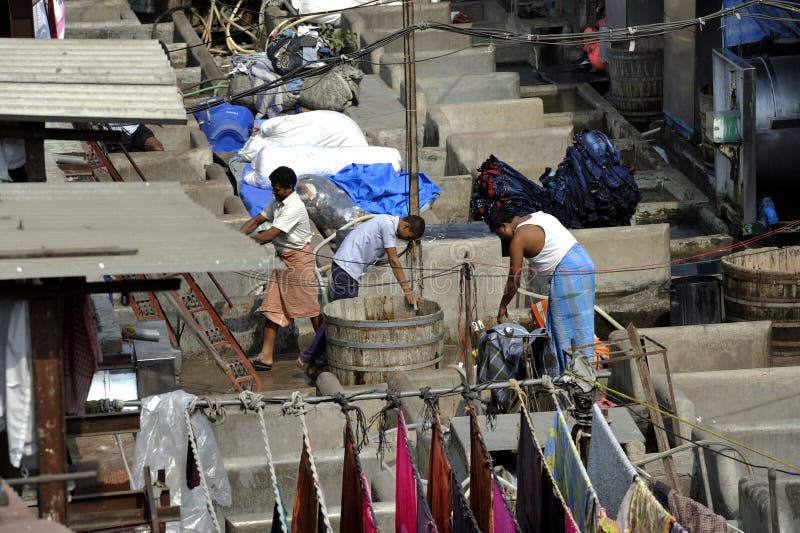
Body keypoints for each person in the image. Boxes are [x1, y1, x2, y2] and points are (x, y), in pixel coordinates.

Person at [298, 214, 426, 372]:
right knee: (339, 318)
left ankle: (320, 356)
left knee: (341, 316)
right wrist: (407, 290)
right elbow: (394, 260)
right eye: (408, 237)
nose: (406, 240)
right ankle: (308, 356)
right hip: (347, 271)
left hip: (347, 270)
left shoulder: (385, 222)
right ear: (406, 227)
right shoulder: (387, 225)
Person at [489, 208, 595, 375]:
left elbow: (514, 281)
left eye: (500, 234)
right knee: (582, 325)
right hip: (584, 261)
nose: (502, 238)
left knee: (564, 333)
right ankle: (586, 373)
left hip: (567, 272)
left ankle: (574, 380)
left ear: (503, 227)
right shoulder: (540, 215)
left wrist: (502, 306)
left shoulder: (518, 239)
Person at [239, 166, 322, 371]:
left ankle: (323, 352)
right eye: (273, 189)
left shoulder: (293, 206)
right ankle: (266, 356)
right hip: (283, 261)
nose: (274, 193)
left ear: (289, 188)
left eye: (277, 189)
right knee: (272, 307)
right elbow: (257, 220)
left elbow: (271, 234)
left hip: (298, 261)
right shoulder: (277, 202)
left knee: (311, 309)